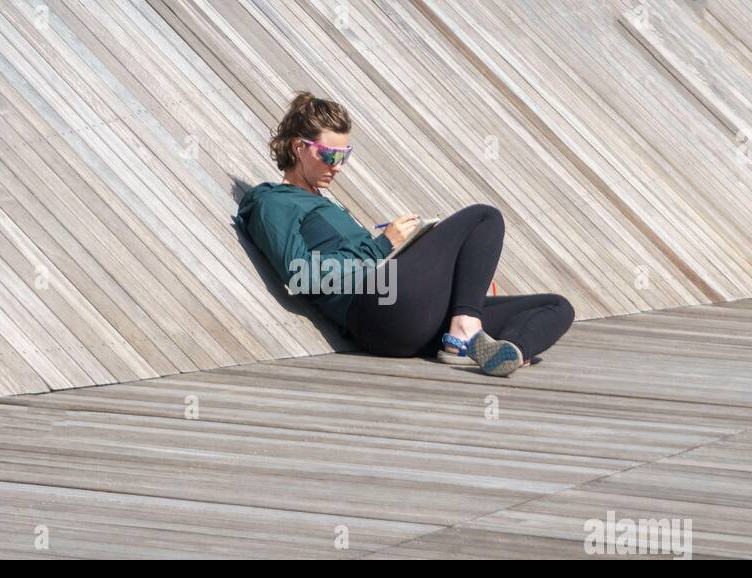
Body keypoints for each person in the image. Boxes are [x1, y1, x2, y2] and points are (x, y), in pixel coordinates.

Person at [236, 91, 574, 377]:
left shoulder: (323, 203)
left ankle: (509, 349)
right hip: (375, 309)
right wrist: (383, 245)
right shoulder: (274, 203)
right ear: (298, 147)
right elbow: (300, 274)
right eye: (329, 155)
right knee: (484, 217)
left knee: (556, 306)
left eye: (345, 156)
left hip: (411, 327)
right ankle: (465, 327)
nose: (337, 166)